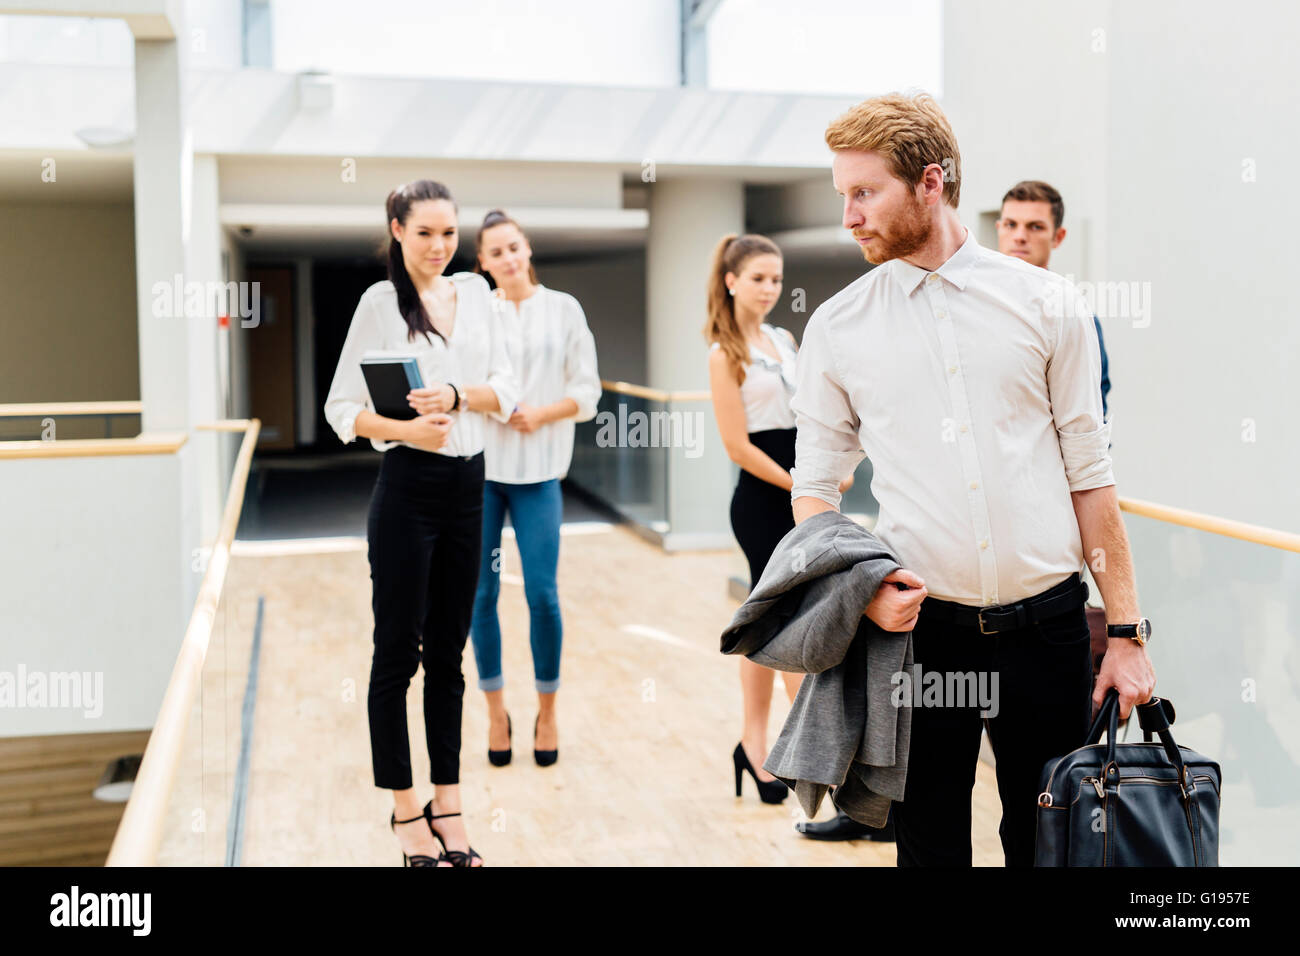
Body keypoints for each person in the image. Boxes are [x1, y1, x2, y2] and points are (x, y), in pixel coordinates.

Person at [788, 92, 1156, 867]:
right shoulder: (838, 326)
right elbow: (816, 485)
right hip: (923, 641)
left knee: (1048, 844)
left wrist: (1124, 635)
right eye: (842, 196)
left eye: (864, 193)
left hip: (1050, 634)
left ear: (931, 181)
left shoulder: (1049, 303)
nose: (849, 217)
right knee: (927, 848)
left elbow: (1092, 478)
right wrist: (859, 590)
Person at [324, 179, 518, 867]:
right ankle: (405, 811)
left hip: (470, 488)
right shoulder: (380, 303)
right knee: (395, 657)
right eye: (425, 232)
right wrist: (407, 429)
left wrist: (460, 397)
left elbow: (509, 389)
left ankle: (449, 802)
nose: (439, 246)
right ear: (398, 231)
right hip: (406, 491)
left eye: (448, 233)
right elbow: (342, 409)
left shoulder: (479, 296)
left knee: (449, 657)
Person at [705, 233, 843, 804]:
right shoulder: (723, 354)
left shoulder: (785, 340)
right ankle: (811, 762)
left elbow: (813, 413)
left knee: (767, 627)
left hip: (803, 492)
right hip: (764, 502)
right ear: (732, 281)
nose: (770, 288)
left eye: (777, 278)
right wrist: (801, 485)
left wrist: (829, 468)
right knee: (790, 626)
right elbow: (737, 446)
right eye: (758, 277)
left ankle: (754, 745)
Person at [468, 208, 601, 768]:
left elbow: (588, 391)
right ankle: (497, 712)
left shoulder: (564, 308)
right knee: (480, 596)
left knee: (542, 595)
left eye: (514, 247)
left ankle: (547, 711)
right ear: (482, 263)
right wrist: (491, 405)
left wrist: (541, 414)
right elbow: (461, 382)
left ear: (527, 250)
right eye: (495, 252)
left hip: (540, 472)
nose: (507, 258)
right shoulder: (475, 313)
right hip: (479, 471)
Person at [996, 180, 1111, 418]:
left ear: (1058, 237)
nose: (1019, 236)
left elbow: (1091, 413)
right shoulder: (971, 302)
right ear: (998, 228)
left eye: (1035, 227)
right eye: (1010, 224)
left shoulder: (1071, 314)